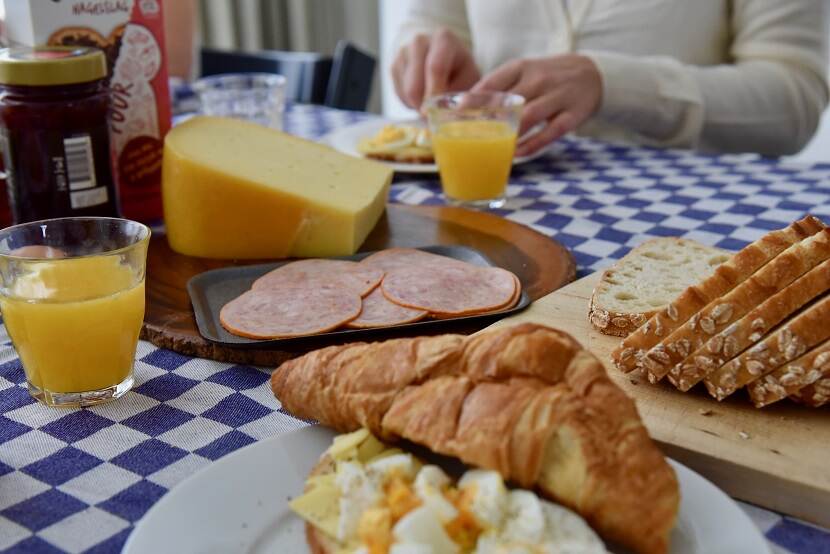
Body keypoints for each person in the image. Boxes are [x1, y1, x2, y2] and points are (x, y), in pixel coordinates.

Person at [391, 1, 829, 157]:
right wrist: (422, 56)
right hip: (495, 214)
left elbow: (796, 97)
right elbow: (428, 24)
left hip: (684, 226)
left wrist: (611, 83)